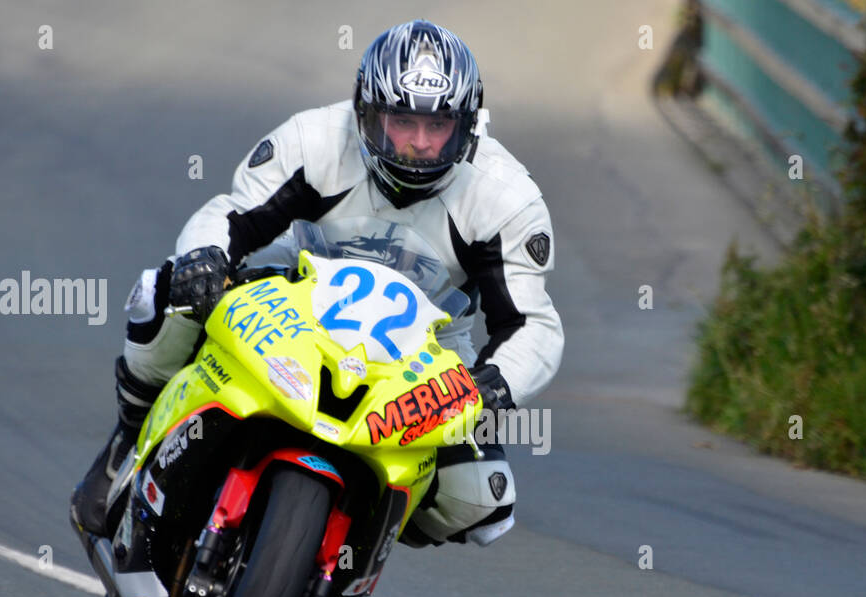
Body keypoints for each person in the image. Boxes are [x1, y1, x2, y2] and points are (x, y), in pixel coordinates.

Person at [71, 19, 563, 547]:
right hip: (286, 301)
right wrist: (206, 258)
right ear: (366, 113)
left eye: (438, 125)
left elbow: (531, 324)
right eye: (401, 121)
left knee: (483, 499)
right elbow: (233, 213)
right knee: (165, 295)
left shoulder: (506, 197)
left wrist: (493, 384)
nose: (419, 143)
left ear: (467, 125)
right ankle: (129, 436)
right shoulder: (315, 139)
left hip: (423, 355)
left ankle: (353, 534)